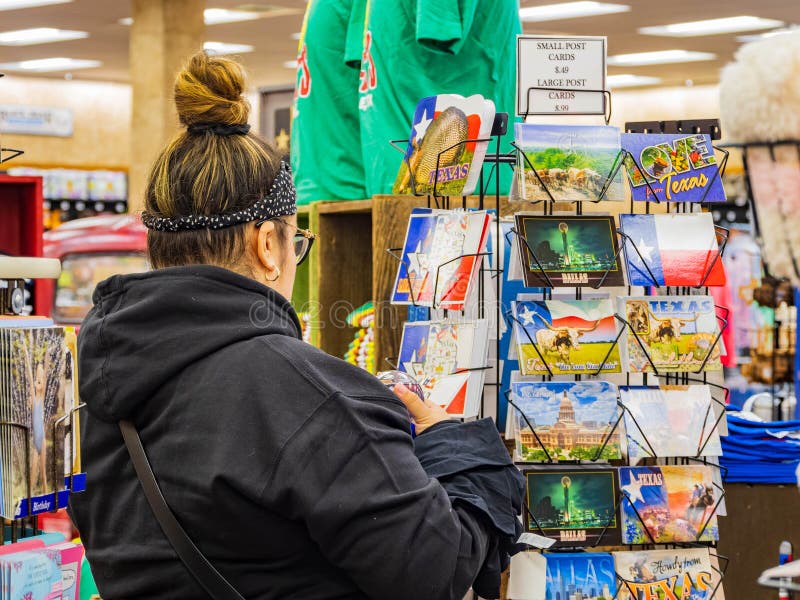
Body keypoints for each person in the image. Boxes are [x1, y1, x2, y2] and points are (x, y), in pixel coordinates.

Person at [68, 51, 525, 600]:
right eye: (296, 243)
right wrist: (453, 444)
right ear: (267, 245)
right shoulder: (313, 396)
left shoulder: (104, 381)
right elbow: (436, 571)